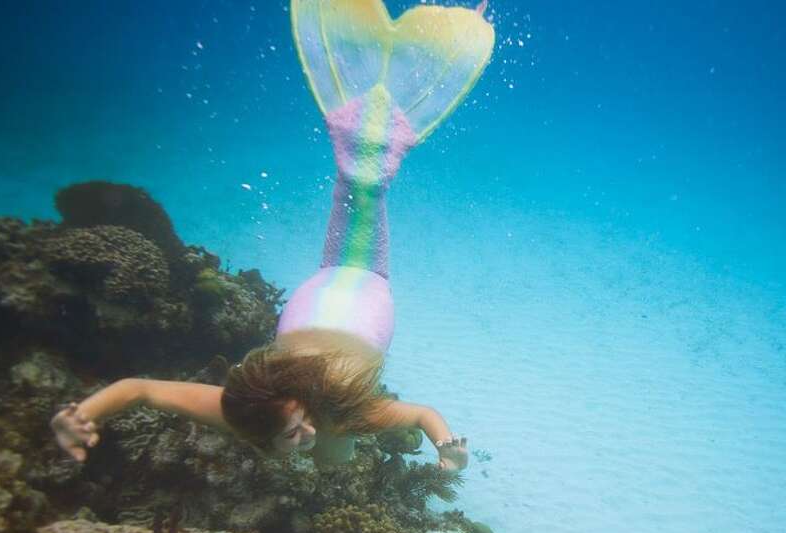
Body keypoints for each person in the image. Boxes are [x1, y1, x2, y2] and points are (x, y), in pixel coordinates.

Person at [51, 0, 495, 472]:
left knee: (332, 461)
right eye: (296, 431)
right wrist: (82, 414)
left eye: (297, 425)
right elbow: (139, 390)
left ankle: (375, 132)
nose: (307, 431)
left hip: (362, 295)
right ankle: (361, 135)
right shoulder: (241, 407)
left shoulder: (337, 413)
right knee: (357, 188)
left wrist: (447, 449)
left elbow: (422, 416)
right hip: (321, 292)